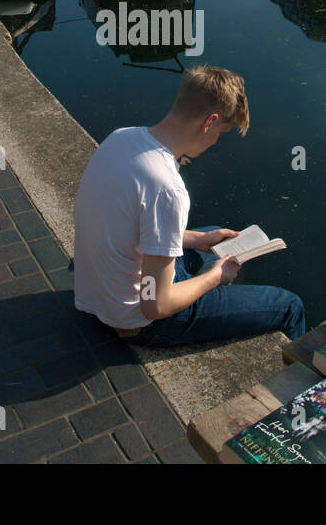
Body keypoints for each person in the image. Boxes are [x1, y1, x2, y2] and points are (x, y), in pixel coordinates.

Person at [73, 65, 306, 346]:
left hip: (101, 294)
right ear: (209, 122)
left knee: (212, 237)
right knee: (290, 306)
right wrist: (215, 278)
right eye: (221, 132)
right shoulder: (168, 188)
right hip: (139, 319)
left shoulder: (120, 138)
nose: (215, 141)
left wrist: (198, 239)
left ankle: (216, 278)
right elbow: (155, 306)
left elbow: (127, 225)